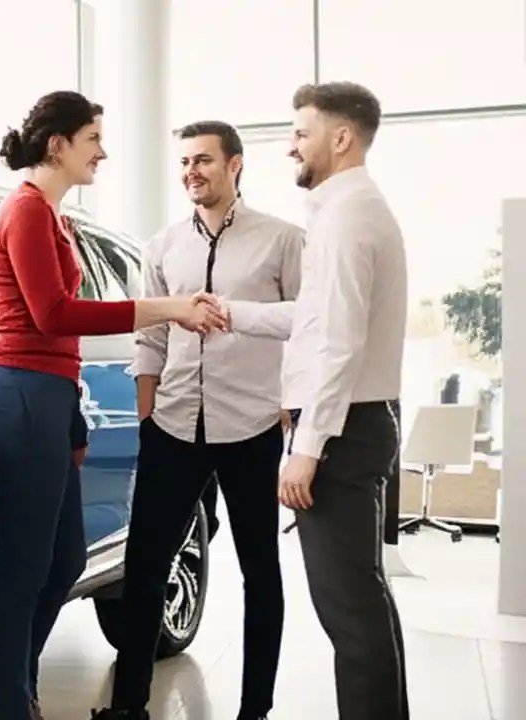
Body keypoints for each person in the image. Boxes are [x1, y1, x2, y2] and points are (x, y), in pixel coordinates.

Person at [0, 90, 227, 720]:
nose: (103, 152)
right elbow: (52, 314)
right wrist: (169, 307)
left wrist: (74, 414)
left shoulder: (52, 216)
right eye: (93, 140)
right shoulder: (26, 211)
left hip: (49, 397)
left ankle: (18, 686)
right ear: (56, 144)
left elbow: (59, 336)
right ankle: (10, 705)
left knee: (65, 561)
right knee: (24, 570)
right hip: (21, 393)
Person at [203, 81, 411, 720]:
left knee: (348, 613)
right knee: (364, 601)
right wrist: (231, 312)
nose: (290, 145)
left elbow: (340, 346)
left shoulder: (348, 220)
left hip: (343, 431)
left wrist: (307, 449)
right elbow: (316, 319)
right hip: (358, 422)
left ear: (341, 137)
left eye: (301, 132)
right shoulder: (349, 212)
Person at [92, 121, 303, 720]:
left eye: (204, 160)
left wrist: (243, 323)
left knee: (260, 573)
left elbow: (308, 323)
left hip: (251, 427)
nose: (192, 171)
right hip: (174, 425)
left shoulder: (283, 240)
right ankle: (128, 706)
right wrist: (146, 419)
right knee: (144, 566)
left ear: (235, 165)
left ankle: (254, 710)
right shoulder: (162, 248)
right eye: (185, 161)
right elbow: (150, 339)